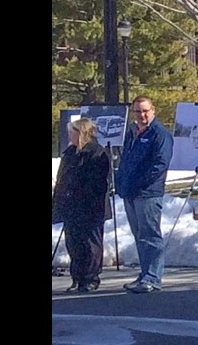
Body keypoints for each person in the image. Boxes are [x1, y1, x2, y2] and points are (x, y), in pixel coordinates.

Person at [114, 96, 175, 293]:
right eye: (138, 111)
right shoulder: (132, 132)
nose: (142, 115)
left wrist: (138, 184)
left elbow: (159, 165)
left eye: (145, 111)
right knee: (139, 235)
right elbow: (126, 161)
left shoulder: (160, 134)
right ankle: (144, 274)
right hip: (130, 193)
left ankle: (153, 278)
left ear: (153, 110)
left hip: (148, 193)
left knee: (150, 235)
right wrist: (122, 183)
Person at [53, 115, 112, 292]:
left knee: (90, 243)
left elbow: (98, 182)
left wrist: (79, 193)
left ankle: (90, 278)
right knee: (73, 242)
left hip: (90, 206)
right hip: (71, 206)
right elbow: (62, 179)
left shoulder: (97, 152)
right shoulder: (70, 153)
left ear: (81, 133)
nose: (69, 136)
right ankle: (77, 276)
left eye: (72, 132)